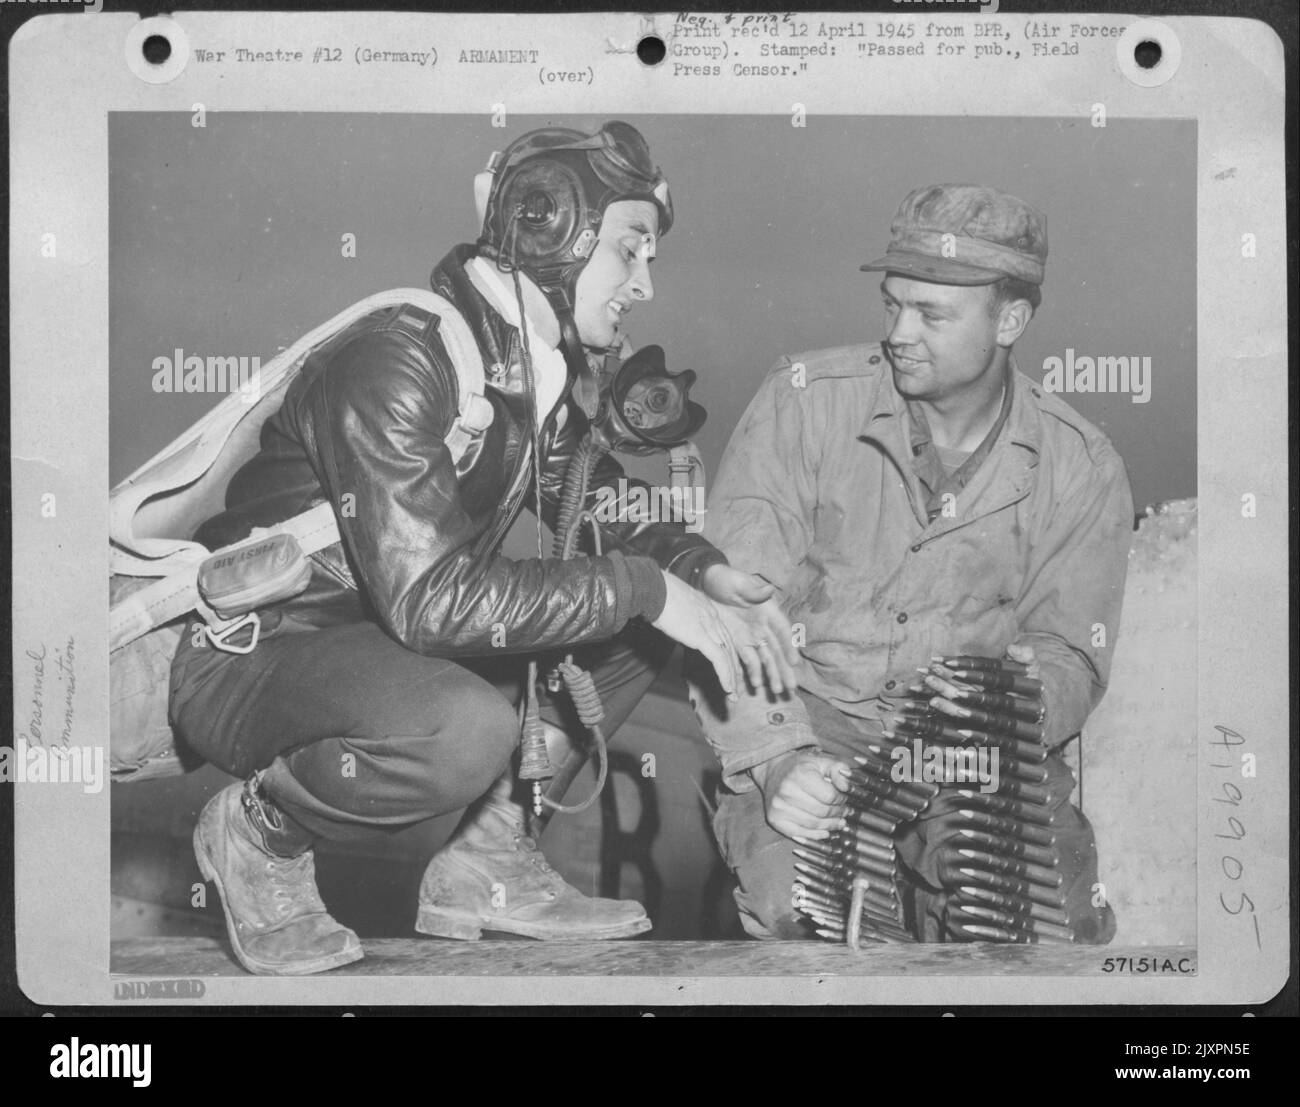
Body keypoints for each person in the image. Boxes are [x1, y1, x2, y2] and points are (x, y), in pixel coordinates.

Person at [173, 121, 798, 975]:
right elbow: (429, 601)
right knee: (467, 725)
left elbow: (608, 504)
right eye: (629, 250)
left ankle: (489, 860)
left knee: (647, 618)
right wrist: (648, 586)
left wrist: (705, 574)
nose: (644, 285)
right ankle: (259, 832)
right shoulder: (402, 356)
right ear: (549, 229)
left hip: (373, 646)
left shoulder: (523, 378)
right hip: (261, 653)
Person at [689, 183, 1134, 943]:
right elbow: (734, 612)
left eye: (932, 314)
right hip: (813, 721)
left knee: (1041, 932)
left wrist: (1000, 717)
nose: (899, 331)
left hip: (976, 745)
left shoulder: (1081, 466)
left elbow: (1071, 652)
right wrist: (776, 763)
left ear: (1011, 321)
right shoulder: (804, 403)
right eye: (893, 304)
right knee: (808, 920)